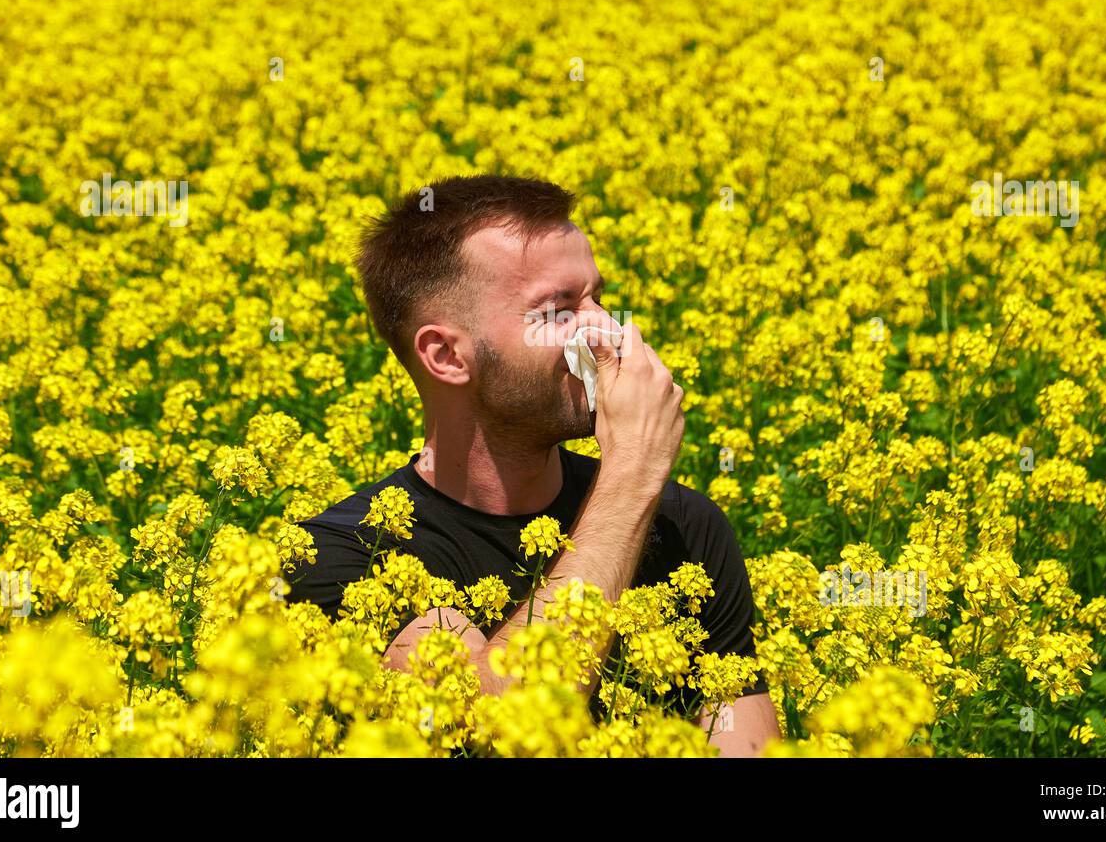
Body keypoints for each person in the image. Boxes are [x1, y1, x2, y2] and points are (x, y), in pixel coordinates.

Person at [284, 174, 781, 756]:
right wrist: (631, 477)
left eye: (597, 297)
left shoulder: (683, 527)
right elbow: (498, 731)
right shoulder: (344, 556)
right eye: (558, 310)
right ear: (446, 356)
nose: (607, 332)